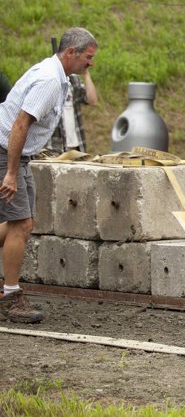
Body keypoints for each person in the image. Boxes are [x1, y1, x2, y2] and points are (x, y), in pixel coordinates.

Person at [0, 27, 98, 324]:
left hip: (17, 154)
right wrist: (11, 174)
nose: (90, 63)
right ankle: (10, 298)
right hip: (7, 151)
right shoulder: (48, 81)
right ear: (71, 53)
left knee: (21, 222)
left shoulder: (58, 76)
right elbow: (20, 125)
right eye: (88, 57)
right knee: (21, 223)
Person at [48, 69, 98, 154]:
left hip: (76, 144)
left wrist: (86, 74)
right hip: (54, 145)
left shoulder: (74, 79)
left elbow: (92, 101)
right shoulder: (49, 78)